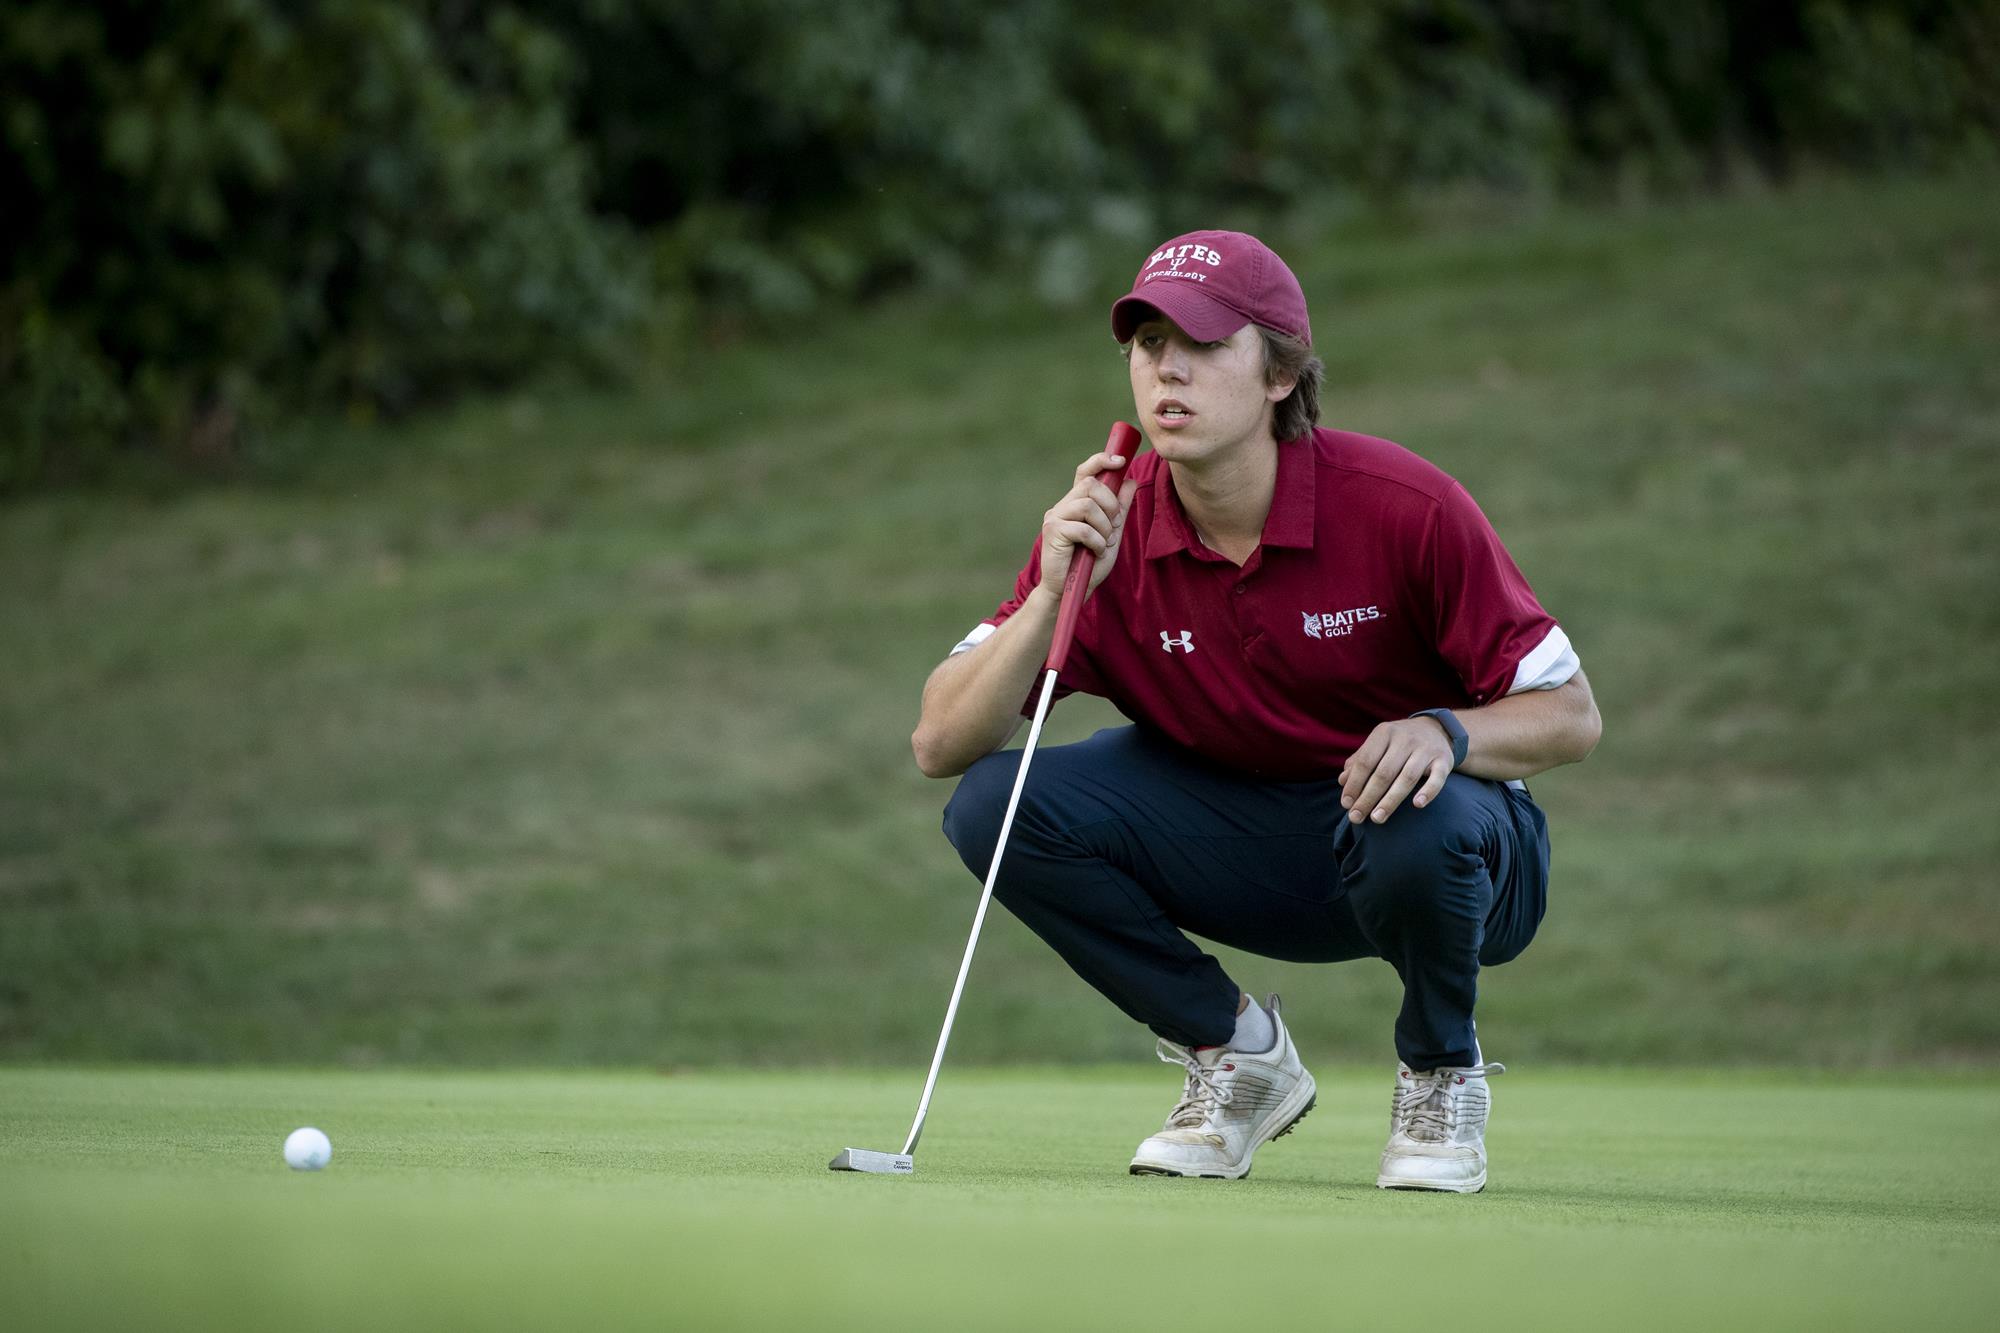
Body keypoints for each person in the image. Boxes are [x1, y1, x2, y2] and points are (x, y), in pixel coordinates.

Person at [912, 230, 1601, 1192]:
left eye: (1201, 346)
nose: (1167, 371)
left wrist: (1447, 728)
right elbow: (940, 743)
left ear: (1279, 373)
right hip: (1245, 843)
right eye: (1149, 346)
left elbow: (1571, 714)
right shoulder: (1108, 522)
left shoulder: (1404, 505)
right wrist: (1048, 597)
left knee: (1421, 803)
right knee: (994, 800)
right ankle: (1237, 1058)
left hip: (1448, 852)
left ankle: (1442, 1073)